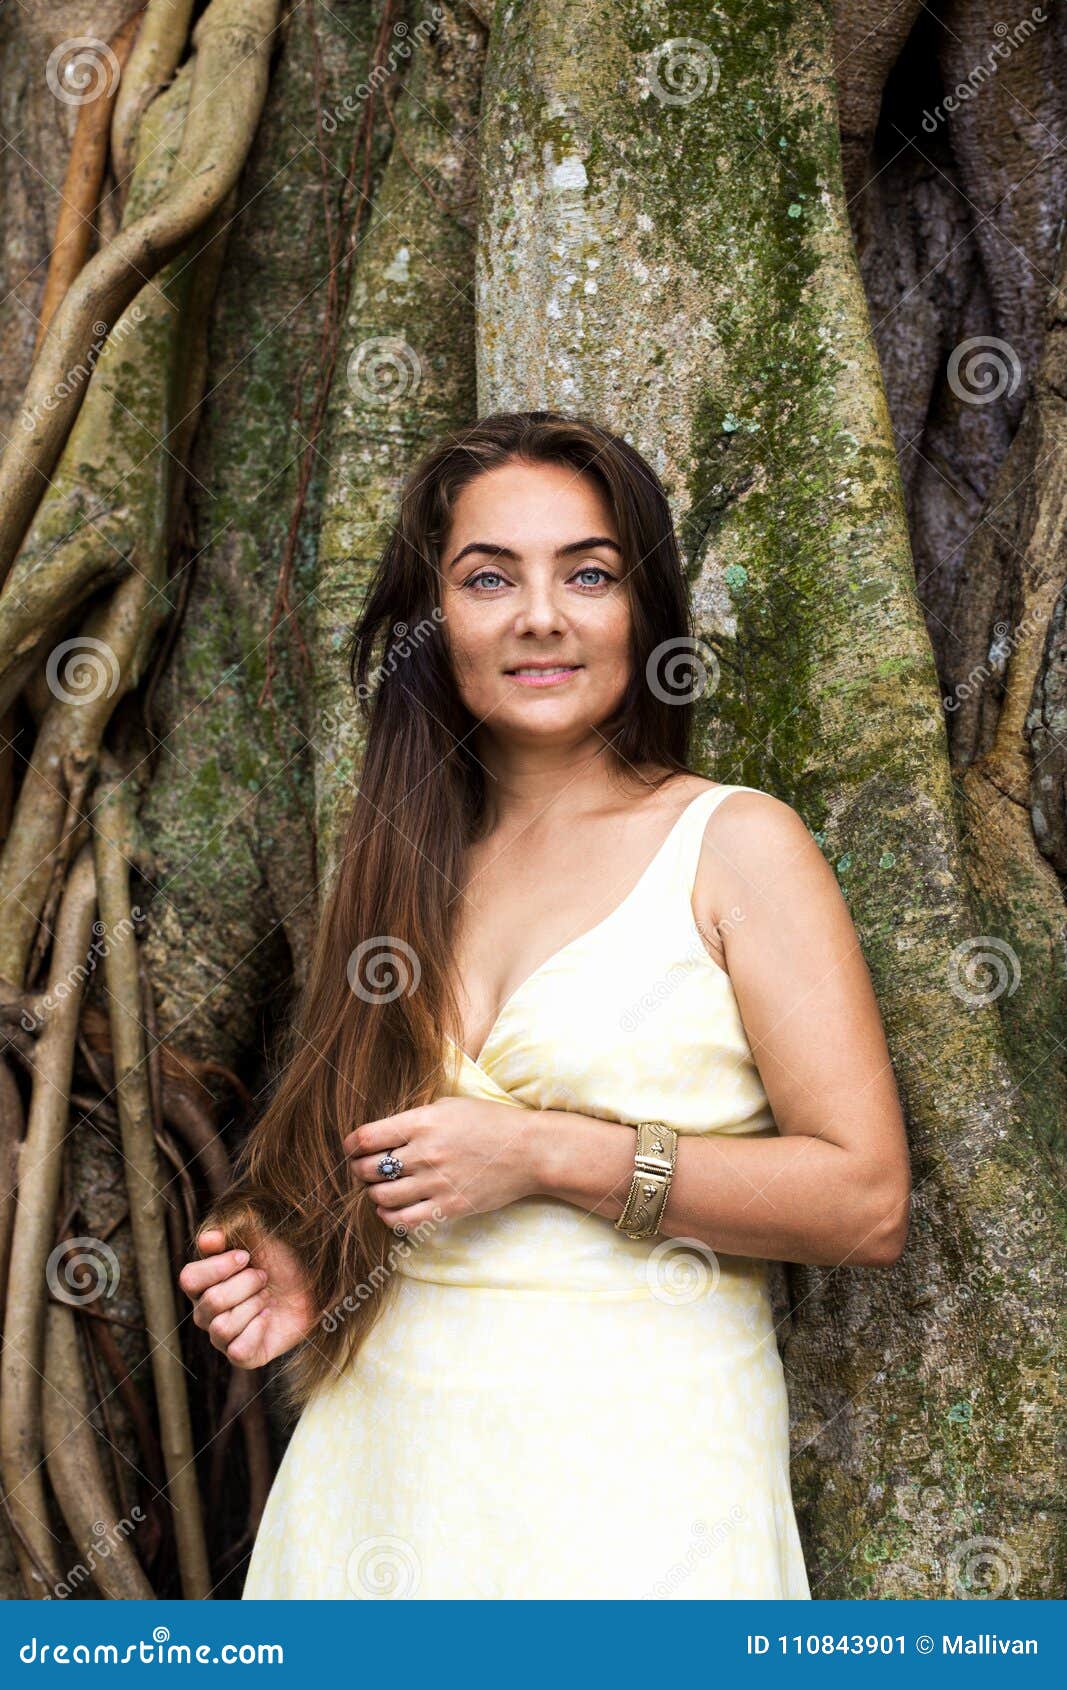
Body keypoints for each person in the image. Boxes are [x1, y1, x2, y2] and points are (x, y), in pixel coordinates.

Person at [179, 411, 911, 1600]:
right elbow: (380, 1168)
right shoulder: (394, 867)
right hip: (378, 1481)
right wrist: (307, 1253)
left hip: (637, 1496)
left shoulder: (732, 846)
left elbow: (864, 1200)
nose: (540, 615)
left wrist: (546, 1154)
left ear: (642, 610)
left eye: (587, 573)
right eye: (486, 577)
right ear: (433, 622)